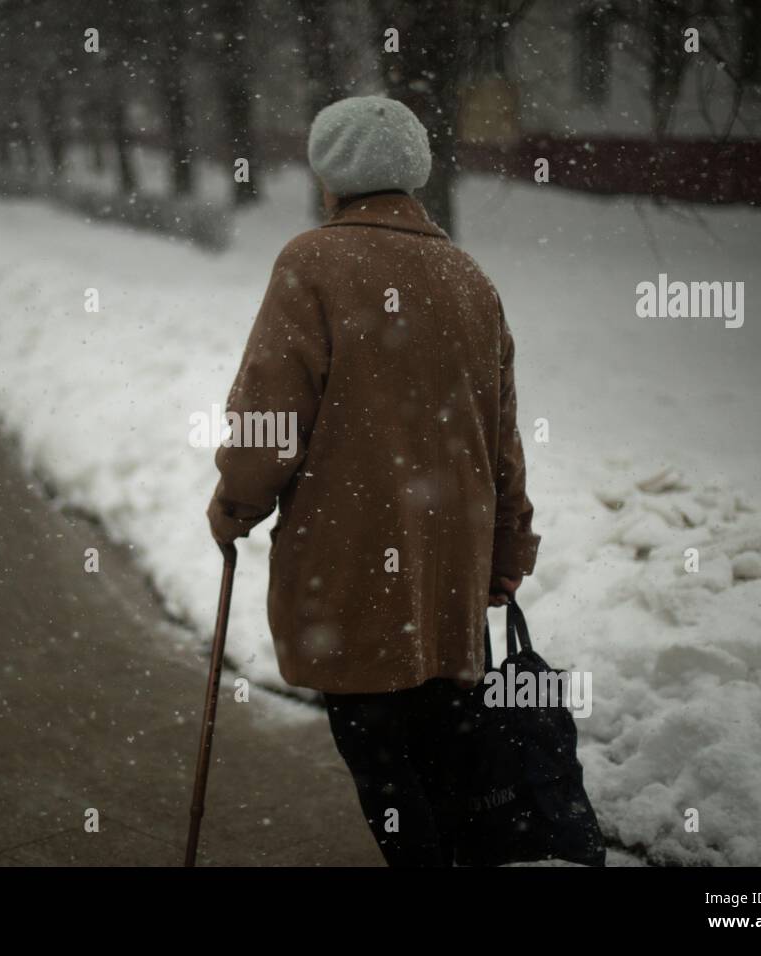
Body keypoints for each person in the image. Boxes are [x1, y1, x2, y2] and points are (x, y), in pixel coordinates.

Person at [205, 95, 540, 867]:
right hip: (449, 582)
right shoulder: (468, 279)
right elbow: (503, 441)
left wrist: (236, 502)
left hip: (350, 576)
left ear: (331, 177)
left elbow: (269, 415)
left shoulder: (312, 263)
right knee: (449, 772)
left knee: (387, 775)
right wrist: (506, 549)